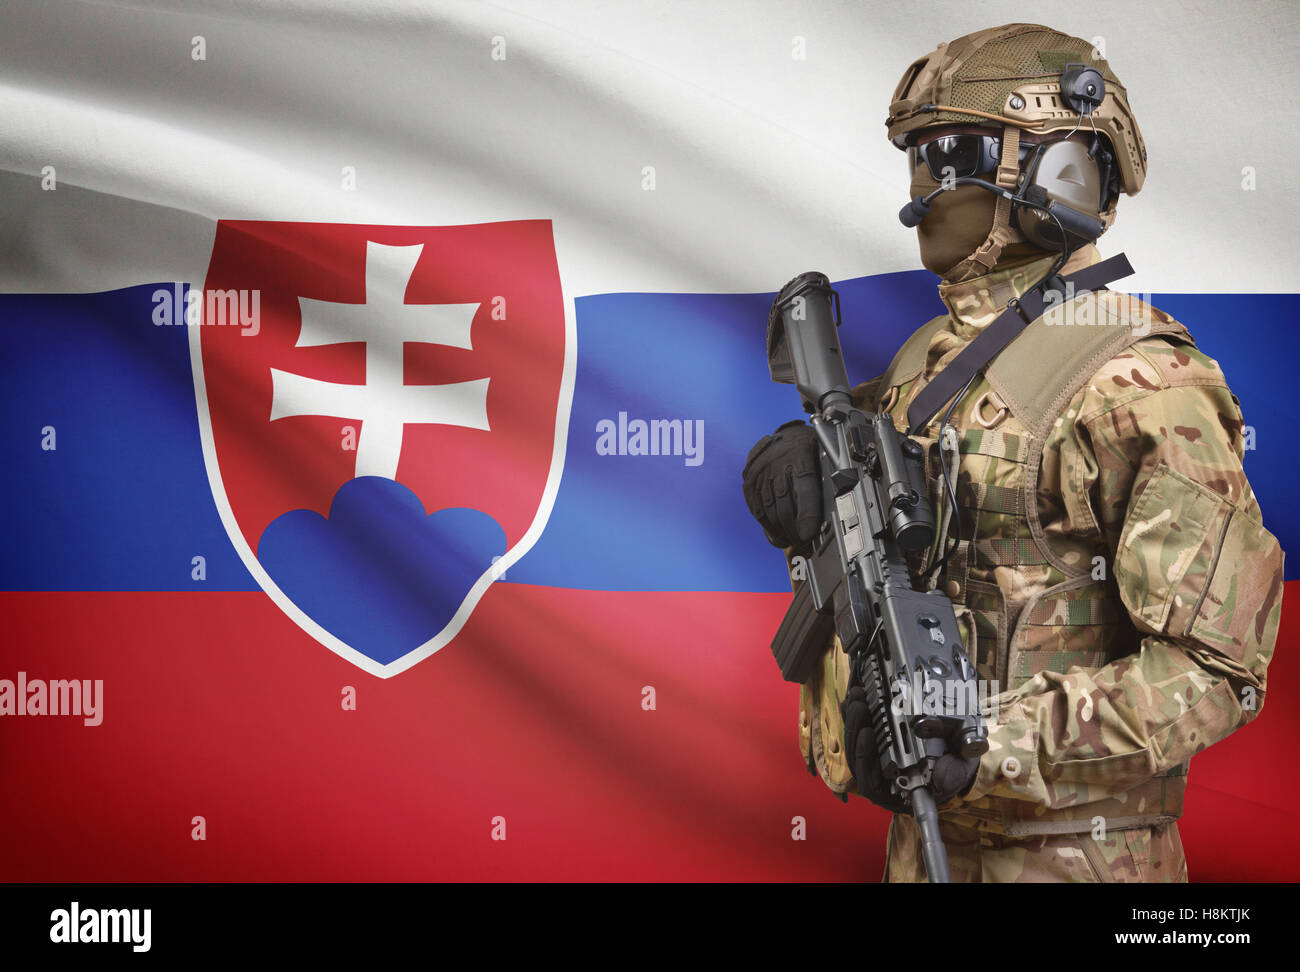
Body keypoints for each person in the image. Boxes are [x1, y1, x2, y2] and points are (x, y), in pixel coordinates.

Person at [742, 23, 1284, 882]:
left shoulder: (1142, 381)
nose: (922, 185)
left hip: (1080, 863)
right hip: (922, 850)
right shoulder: (931, 357)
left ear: (1054, 170)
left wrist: (986, 741)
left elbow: (1214, 669)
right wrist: (794, 471)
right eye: (917, 154)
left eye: (948, 150)